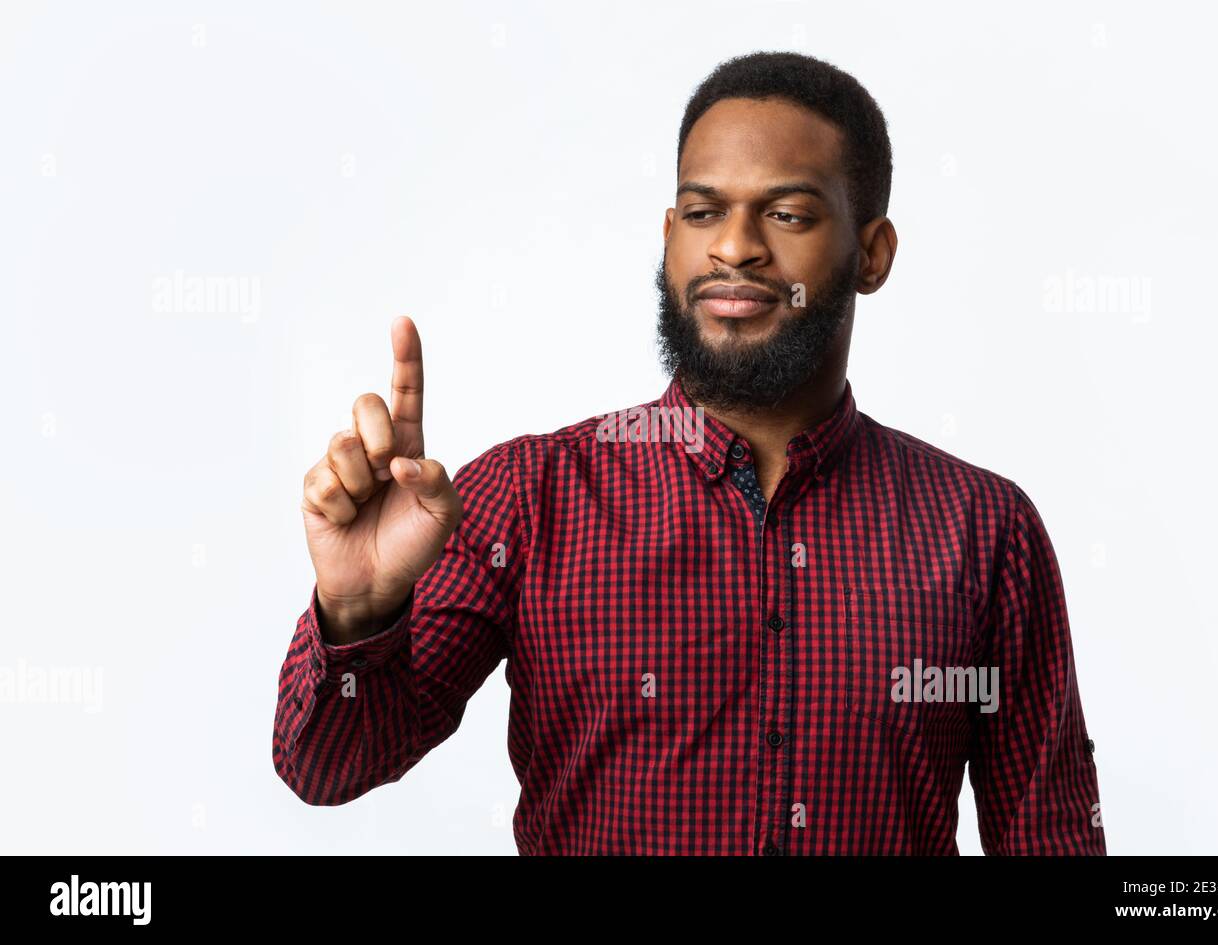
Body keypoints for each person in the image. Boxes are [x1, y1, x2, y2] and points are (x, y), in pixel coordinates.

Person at [274, 50, 1106, 855]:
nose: (734, 248)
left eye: (787, 214)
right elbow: (328, 765)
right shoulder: (528, 497)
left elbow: (1052, 839)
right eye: (704, 212)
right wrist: (356, 611)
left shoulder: (986, 531)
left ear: (874, 253)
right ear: (670, 235)